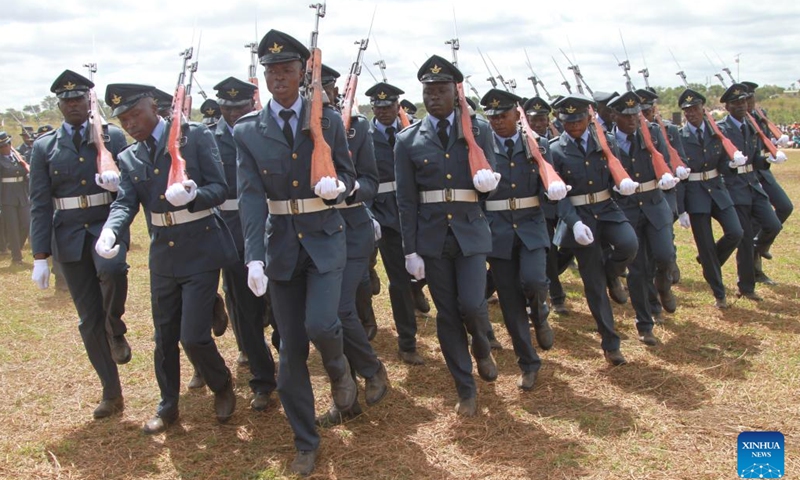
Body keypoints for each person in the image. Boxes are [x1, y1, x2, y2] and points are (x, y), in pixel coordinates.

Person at [233, 29, 357, 477]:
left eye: (286, 68)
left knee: (323, 323)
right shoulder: (248, 130)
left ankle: (340, 368)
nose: (278, 76)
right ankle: (306, 440)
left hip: (325, 237)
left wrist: (339, 187)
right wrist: (253, 256)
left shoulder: (326, 119)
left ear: (303, 72)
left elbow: (351, 174)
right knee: (289, 354)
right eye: (271, 70)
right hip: (280, 245)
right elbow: (249, 197)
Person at [96, 83, 238, 434]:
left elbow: (220, 189)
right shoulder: (130, 156)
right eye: (123, 119)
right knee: (164, 337)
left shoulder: (195, 137)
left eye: (134, 114)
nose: (129, 124)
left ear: (152, 107)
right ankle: (168, 405)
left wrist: (193, 194)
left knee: (193, 337)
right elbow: (125, 202)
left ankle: (221, 384)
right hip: (163, 255)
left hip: (201, 247)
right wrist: (111, 230)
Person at [395, 54, 499, 416]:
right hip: (433, 237)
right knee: (447, 315)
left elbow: (492, 179)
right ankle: (465, 387)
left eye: (441, 90)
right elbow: (406, 200)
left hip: (470, 231)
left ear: (456, 92)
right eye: (428, 91)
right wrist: (410, 249)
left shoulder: (479, 130)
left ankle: (482, 345)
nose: (433, 97)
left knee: (472, 304)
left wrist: (487, 185)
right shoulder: (408, 140)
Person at [29, 69, 131, 419]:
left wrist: (118, 185)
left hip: (106, 224)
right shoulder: (44, 146)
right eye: (66, 99)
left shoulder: (113, 138)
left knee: (115, 271)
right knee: (88, 319)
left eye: (79, 98)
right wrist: (40, 255)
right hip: (69, 234)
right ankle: (111, 391)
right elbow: (40, 202)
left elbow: (132, 188)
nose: (73, 104)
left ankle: (114, 325)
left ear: (90, 101)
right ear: (59, 104)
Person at [315, 64, 390, 427]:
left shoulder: (358, 129)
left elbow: (372, 180)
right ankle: (347, 395)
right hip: (315, 233)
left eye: (327, 86)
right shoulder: (301, 129)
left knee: (340, 310)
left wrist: (354, 189)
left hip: (352, 227)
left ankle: (372, 370)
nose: (322, 92)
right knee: (324, 318)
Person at [479, 89, 568, 389]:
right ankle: (528, 363)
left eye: (502, 115)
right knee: (509, 302)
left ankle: (540, 315)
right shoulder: (480, 148)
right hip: (498, 230)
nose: (497, 122)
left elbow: (548, 184)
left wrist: (553, 194)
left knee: (534, 281)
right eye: (491, 116)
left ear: (517, 115)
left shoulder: (539, 145)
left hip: (531, 225)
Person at [549, 93, 639, 365]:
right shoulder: (555, 150)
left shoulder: (606, 141)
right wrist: (572, 222)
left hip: (607, 209)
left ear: (589, 118)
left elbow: (617, 172)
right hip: (579, 216)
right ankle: (610, 343)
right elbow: (558, 196)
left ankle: (613, 274)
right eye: (567, 122)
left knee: (629, 245)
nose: (573, 126)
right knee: (594, 284)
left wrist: (622, 187)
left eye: (578, 121)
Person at [211, 76, 277, 411]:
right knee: (245, 314)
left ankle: (287, 354)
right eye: (227, 107)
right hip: (233, 235)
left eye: (240, 106)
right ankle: (263, 380)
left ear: (253, 103)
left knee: (281, 305)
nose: (233, 113)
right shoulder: (210, 139)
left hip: (275, 227)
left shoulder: (267, 130)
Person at [608, 91, 678, 345]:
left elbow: (666, 162)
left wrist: (667, 176)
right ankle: (645, 322)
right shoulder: (608, 142)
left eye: (634, 115)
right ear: (614, 116)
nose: (631, 121)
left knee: (665, 255)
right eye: (625, 116)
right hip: (628, 207)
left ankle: (664, 287)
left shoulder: (653, 134)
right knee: (638, 269)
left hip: (654, 203)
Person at [364, 80, 426, 363]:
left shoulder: (412, 133)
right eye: (378, 107)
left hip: (418, 215)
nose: (383, 111)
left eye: (388, 106)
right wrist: (369, 215)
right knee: (399, 281)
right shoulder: (363, 136)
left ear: (397, 106)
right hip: (386, 218)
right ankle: (407, 342)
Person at [676, 88, 743, 308]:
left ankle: (708, 262)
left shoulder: (715, 133)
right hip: (695, 194)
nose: (691, 113)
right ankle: (719, 293)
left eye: (695, 108)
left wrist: (732, 165)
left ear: (703, 109)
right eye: (687, 110)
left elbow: (722, 162)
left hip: (717, 189)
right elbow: (680, 176)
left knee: (736, 232)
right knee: (705, 244)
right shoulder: (680, 136)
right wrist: (681, 209)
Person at [715, 84, 782, 301]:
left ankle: (752, 251)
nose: (741, 106)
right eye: (735, 103)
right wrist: (730, 165)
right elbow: (717, 164)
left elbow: (754, 159)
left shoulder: (750, 125)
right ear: (727, 106)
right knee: (743, 239)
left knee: (773, 224)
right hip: (735, 187)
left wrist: (768, 160)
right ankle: (746, 286)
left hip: (753, 184)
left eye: (743, 102)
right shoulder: (721, 129)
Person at [742, 81, 793, 285]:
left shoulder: (759, 116)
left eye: (750, 98)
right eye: (745, 100)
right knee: (757, 218)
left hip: (763, 169)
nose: (748, 103)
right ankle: (754, 268)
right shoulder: (740, 121)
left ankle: (760, 245)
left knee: (785, 207)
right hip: (749, 173)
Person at [524, 95, 571, 315]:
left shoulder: (554, 141)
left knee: (568, 248)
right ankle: (557, 296)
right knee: (549, 252)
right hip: (539, 209)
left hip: (559, 205)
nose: (539, 124)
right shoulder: (525, 142)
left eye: (542, 119)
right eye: (534, 120)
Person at [0, 132, 30, 264]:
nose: (5, 148)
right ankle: (16, 257)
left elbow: (26, 174)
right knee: (12, 226)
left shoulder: (19, 157)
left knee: (26, 223)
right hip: (7, 196)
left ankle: (14, 247)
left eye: (6, 144)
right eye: (1, 146)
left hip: (22, 194)